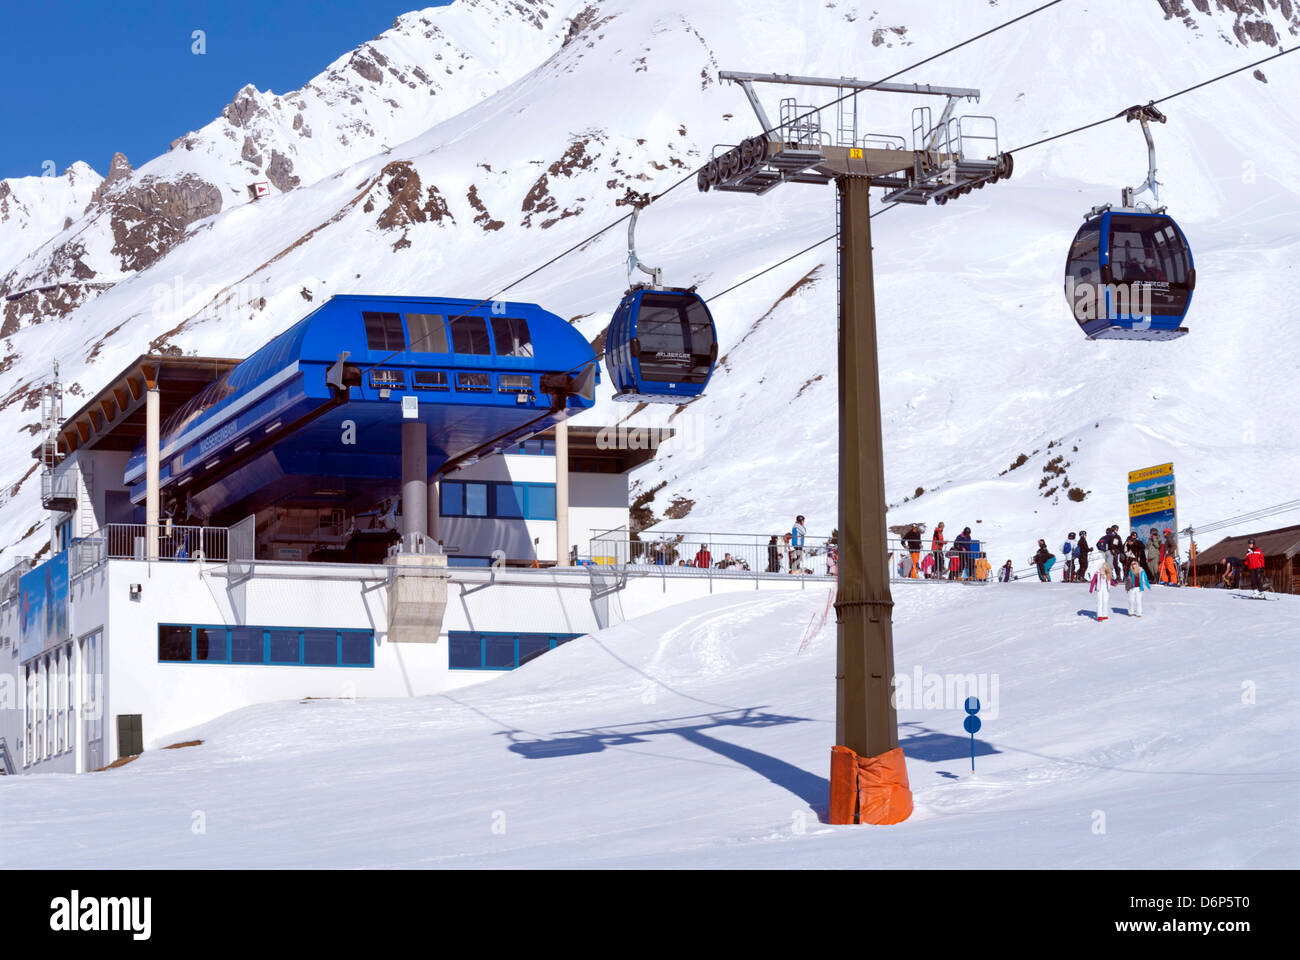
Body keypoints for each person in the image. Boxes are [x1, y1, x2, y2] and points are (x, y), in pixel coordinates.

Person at [1090, 557, 1113, 621]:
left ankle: (1105, 614)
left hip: (1106, 589)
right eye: (1103, 566)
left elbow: (1110, 581)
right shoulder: (1097, 573)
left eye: (1106, 567)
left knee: (1105, 601)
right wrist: (1091, 589)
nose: (1104, 568)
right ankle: (1100, 615)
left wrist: (1114, 584)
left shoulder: (1108, 574)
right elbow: (1093, 581)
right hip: (1099, 589)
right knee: (1100, 602)